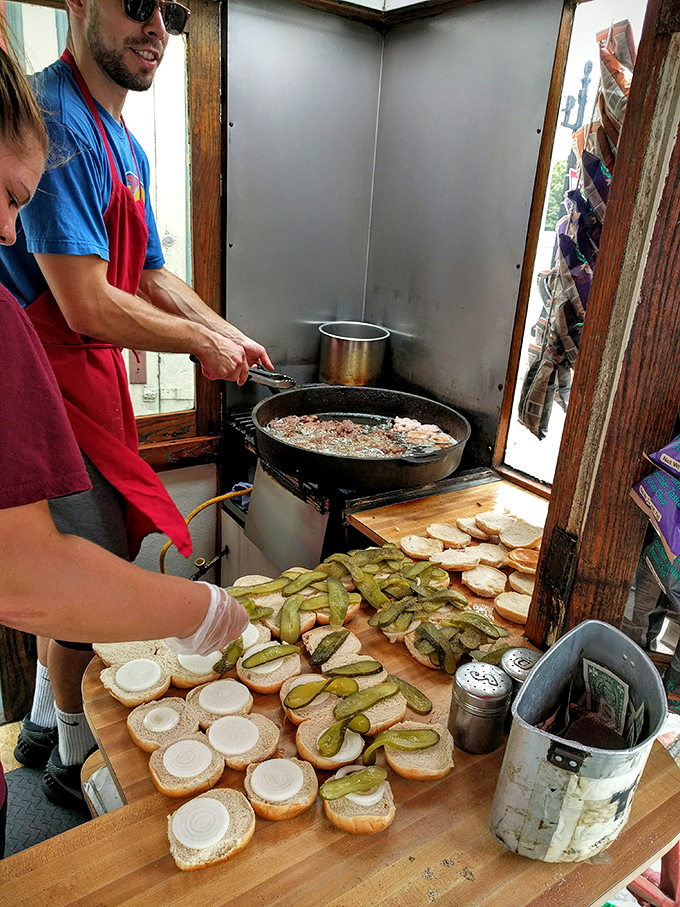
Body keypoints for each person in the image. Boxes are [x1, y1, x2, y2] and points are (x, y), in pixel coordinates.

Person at [0, 0, 272, 811]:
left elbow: (149, 271)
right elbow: (85, 303)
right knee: (86, 579)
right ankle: (77, 768)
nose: (156, 25)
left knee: (89, 563)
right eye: (135, 2)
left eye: (173, 10)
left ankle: (45, 729)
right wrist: (205, 608)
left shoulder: (120, 141)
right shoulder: (54, 118)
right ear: (78, 5)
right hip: (50, 380)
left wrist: (226, 332)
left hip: (90, 382)